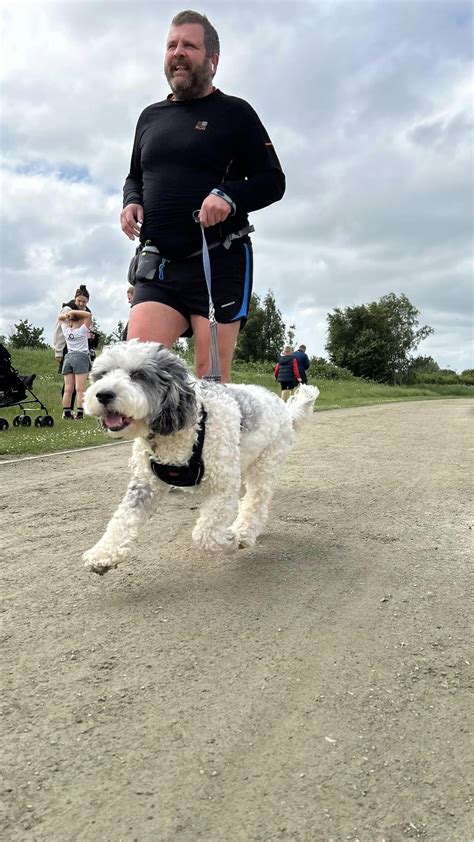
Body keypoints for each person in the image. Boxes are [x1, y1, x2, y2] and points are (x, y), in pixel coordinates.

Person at [121, 9, 285, 383]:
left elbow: (273, 181)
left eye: (189, 46)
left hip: (218, 261)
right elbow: (135, 176)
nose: (178, 53)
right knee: (136, 372)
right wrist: (131, 200)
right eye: (171, 45)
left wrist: (229, 195)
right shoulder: (150, 117)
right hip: (160, 264)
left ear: (213, 59)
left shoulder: (236, 113)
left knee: (209, 381)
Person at [57, 310, 91, 419]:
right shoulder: (82, 331)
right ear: (81, 320)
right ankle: (80, 414)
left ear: (71, 321)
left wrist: (68, 314)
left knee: (68, 389)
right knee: (80, 388)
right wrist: (74, 312)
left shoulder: (66, 331)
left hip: (68, 358)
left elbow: (60, 318)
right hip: (81, 357)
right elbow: (88, 315)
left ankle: (67, 413)